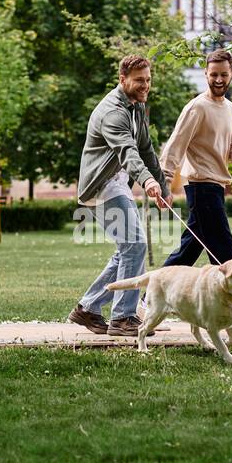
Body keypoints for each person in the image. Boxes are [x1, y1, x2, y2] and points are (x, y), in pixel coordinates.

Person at [149, 48, 232, 330]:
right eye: (213, 74)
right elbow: (176, 144)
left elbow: (230, 149)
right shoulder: (196, 107)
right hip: (200, 185)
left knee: (189, 249)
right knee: (224, 248)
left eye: (223, 75)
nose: (218, 79)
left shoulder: (230, 109)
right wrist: (164, 180)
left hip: (216, 185)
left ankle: (149, 299)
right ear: (206, 74)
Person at [68, 55, 172, 336]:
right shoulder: (113, 112)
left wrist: (162, 187)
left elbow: (147, 150)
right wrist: (147, 181)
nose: (145, 85)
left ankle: (87, 308)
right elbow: (128, 152)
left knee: (127, 250)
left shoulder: (136, 107)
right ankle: (123, 317)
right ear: (122, 79)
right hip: (101, 186)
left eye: (148, 80)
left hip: (116, 182)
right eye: (139, 80)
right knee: (135, 246)